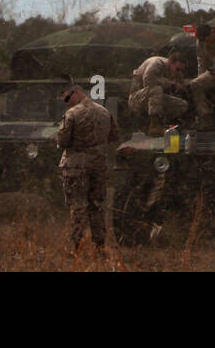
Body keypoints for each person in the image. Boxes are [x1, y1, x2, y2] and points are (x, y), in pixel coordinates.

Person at [56, 82, 119, 252]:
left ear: (75, 93)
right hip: (98, 166)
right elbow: (114, 136)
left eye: (67, 98)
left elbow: (62, 141)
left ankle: (76, 246)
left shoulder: (72, 114)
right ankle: (100, 245)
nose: (66, 102)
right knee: (97, 205)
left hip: (76, 166)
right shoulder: (105, 112)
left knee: (78, 205)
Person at [129, 51, 190, 134]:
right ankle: (154, 125)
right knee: (156, 89)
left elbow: (180, 86)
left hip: (154, 99)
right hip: (137, 98)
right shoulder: (156, 63)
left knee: (182, 105)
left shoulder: (176, 72)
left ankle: (160, 123)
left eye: (181, 70)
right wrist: (171, 85)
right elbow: (148, 82)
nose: (178, 72)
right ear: (170, 62)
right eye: (177, 69)